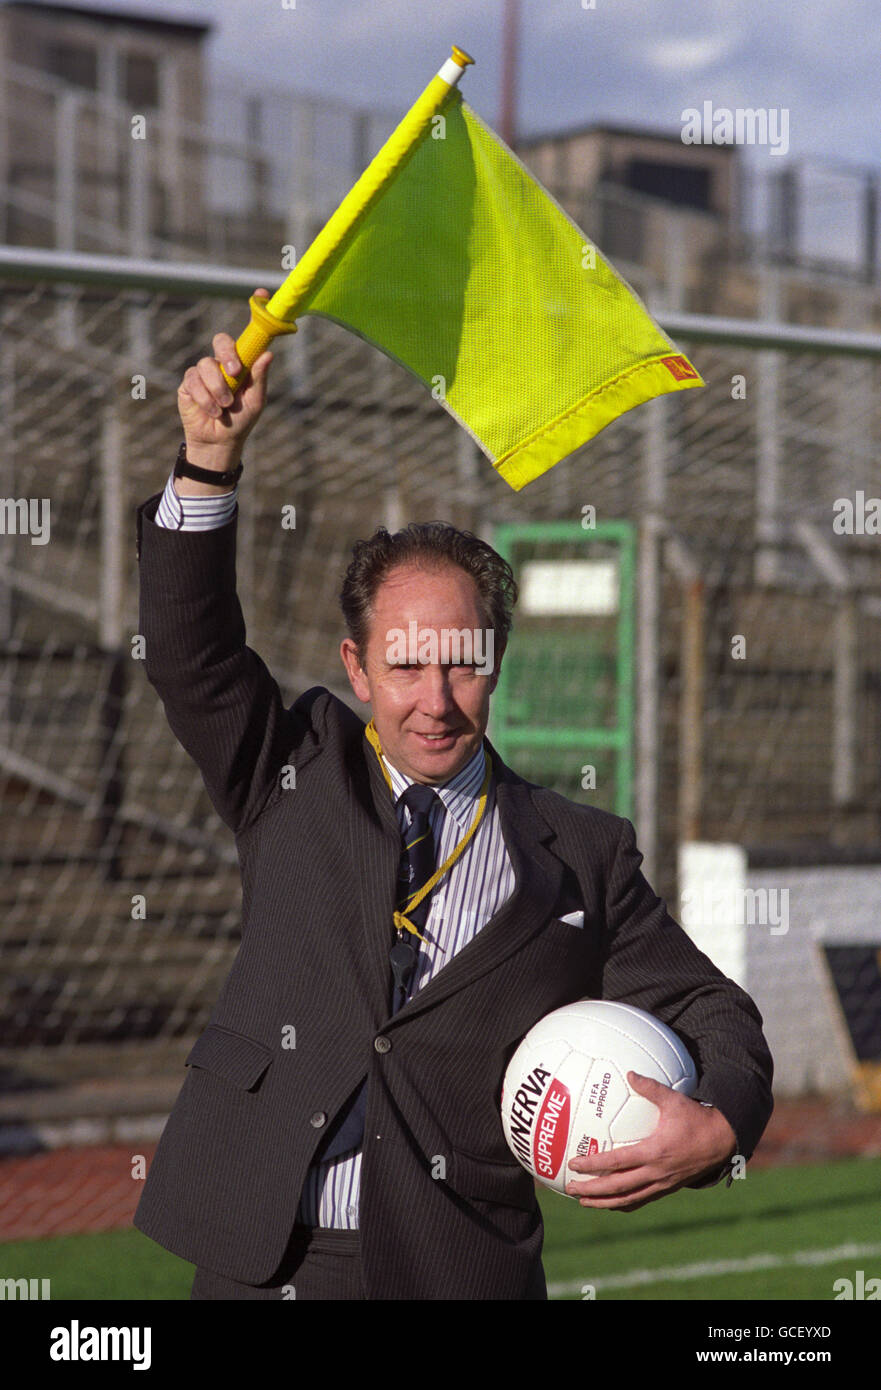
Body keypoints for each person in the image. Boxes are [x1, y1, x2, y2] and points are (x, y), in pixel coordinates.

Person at [133, 295, 773, 1300]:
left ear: (498, 662)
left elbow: (709, 1007)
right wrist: (207, 460)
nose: (434, 701)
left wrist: (720, 1120)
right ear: (356, 666)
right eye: (405, 665)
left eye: (462, 665)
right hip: (259, 1263)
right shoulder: (290, 769)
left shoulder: (580, 850)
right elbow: (190, 651)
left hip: (449, 1270)